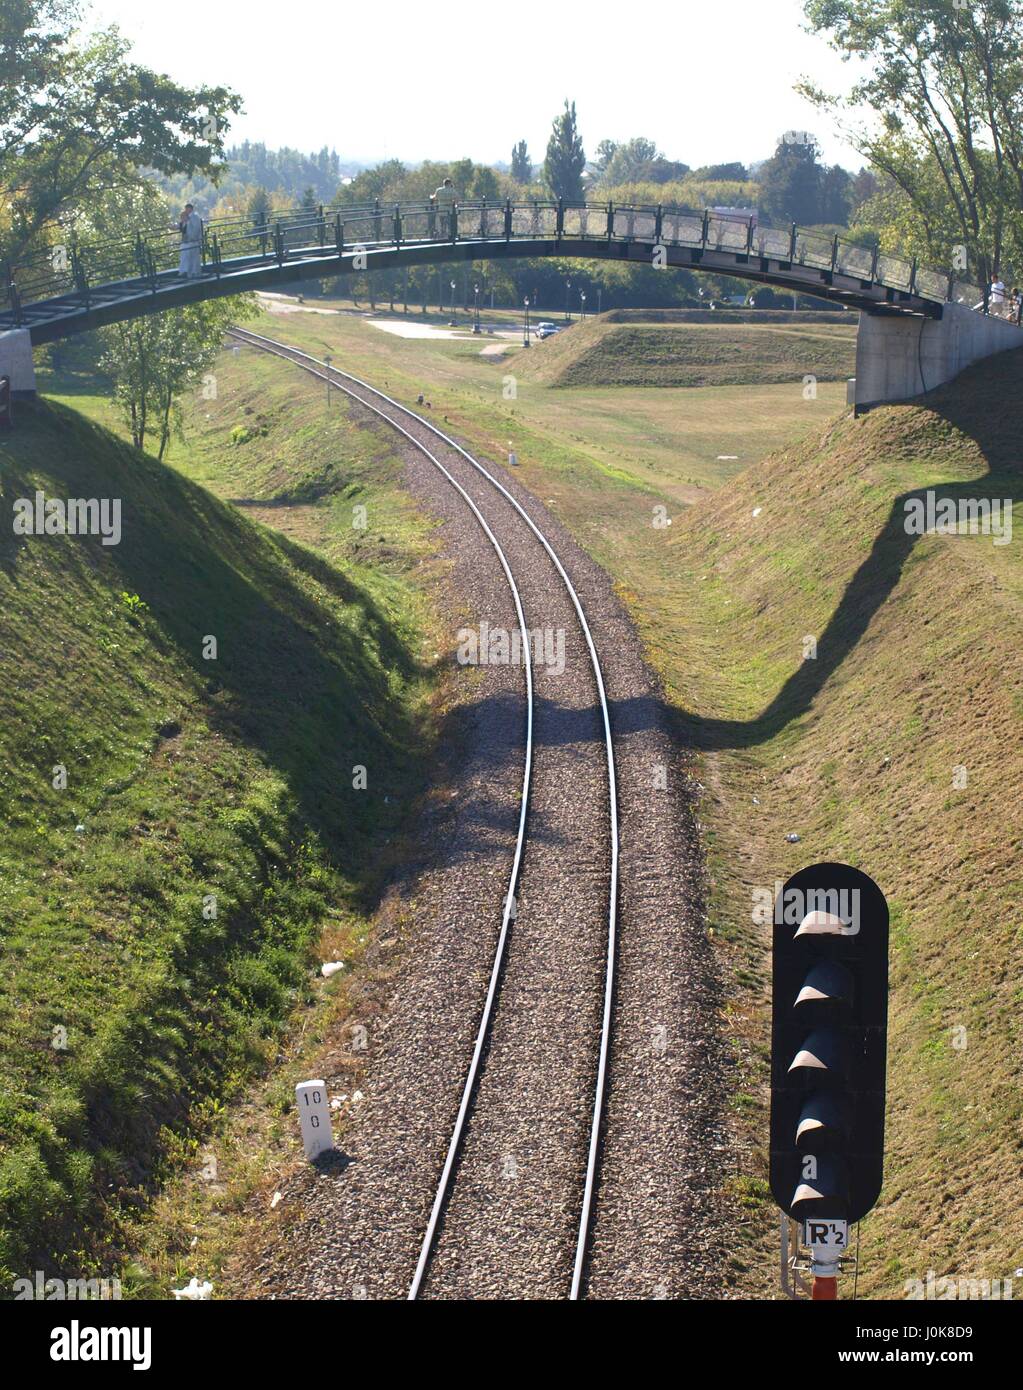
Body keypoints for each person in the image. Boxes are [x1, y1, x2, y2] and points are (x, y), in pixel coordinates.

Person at [178, 204, 203, 279]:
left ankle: (191, 272)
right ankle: (187, 272)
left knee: (192, 257)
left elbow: (195, 229)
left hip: (192, 241)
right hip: (188, 241)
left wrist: (193, 238)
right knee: (187, 257)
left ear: (190, 209)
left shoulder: (194, 217)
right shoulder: (188, 218)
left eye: (187, 209)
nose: (186, 211)